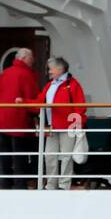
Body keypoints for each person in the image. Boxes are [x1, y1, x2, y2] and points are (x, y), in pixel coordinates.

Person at [35, 56, 86, 190]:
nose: (48, 71)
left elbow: (80, 107)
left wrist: (76, 124)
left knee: (66, 157)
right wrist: (22, 103)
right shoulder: (49, 85)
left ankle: (64, 185)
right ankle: (51, 184)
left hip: (67, 127)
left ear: (60, 68)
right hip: (52, 127)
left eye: (50, 68)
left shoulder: (73, 84)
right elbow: (39, 101)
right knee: (49, 156)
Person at [0, 48, 38, 189]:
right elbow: (32, 98)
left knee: (4, 156)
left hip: (2, 120)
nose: (33, 60)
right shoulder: (26, 74)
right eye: (31, 57)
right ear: (25, 58)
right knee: (20, 157)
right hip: (19, 121)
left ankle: (5, 185)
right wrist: (36, 113)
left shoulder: (5, 73)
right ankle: (19, 186)